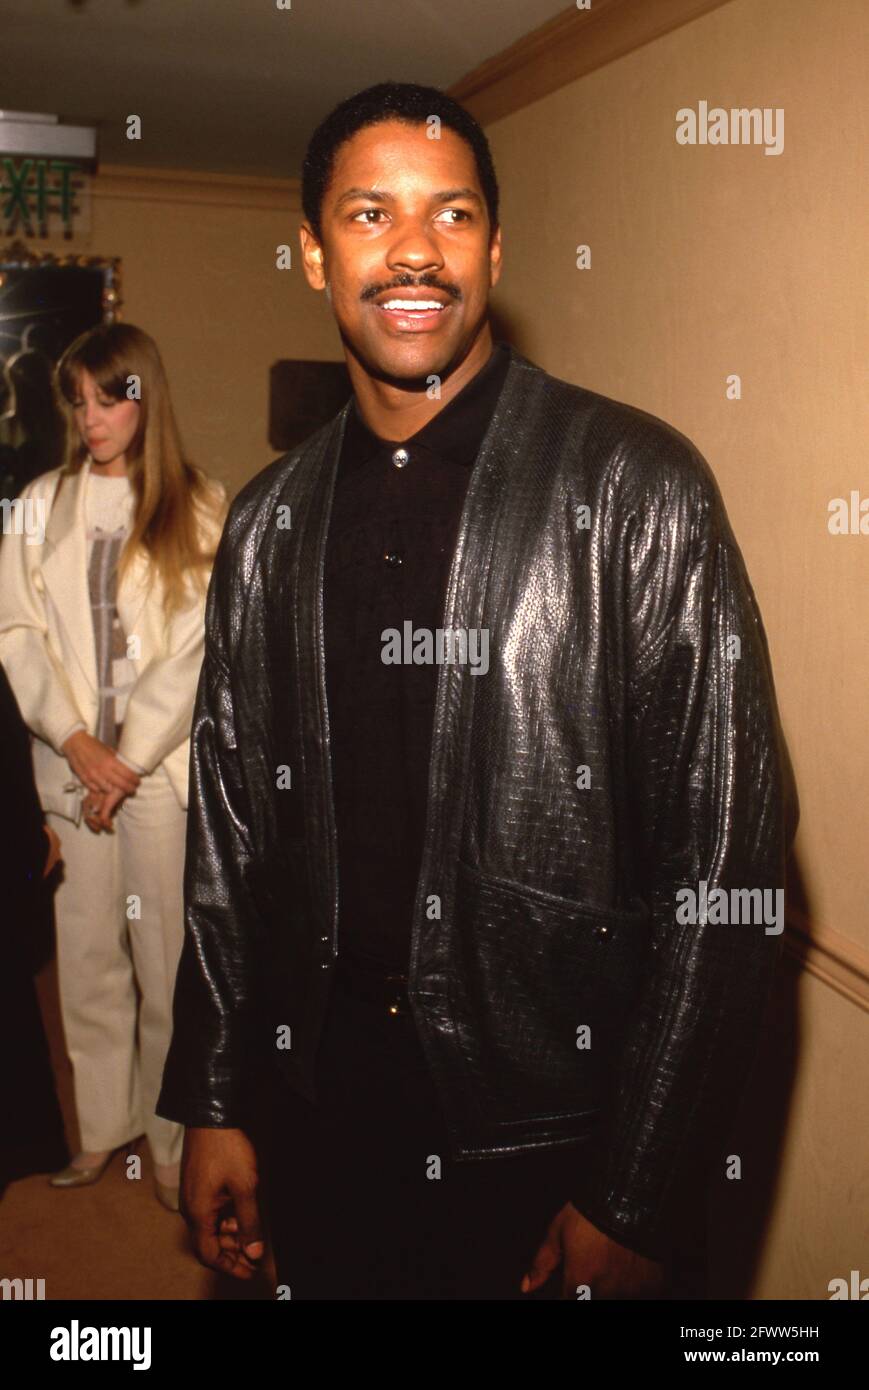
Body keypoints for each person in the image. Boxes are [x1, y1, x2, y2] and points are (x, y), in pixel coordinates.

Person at [156, 82, 799, 1298]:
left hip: (553, 1131)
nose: (412, 250)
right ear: (312, 253)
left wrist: (637, 1189)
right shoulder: (268, 521)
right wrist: (218, 1095)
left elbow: (730, 863)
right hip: (324, 1107)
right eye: (367, 214)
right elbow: (231, 838)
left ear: (493, 251)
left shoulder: (635, 488)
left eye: (450, 216)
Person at [0, 322, 226, 1211]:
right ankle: (102, 1130)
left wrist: (125, 759)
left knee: (164, 957)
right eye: (79, 403)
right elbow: (16, 633)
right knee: (87, 954)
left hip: (154, 775)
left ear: (144, 398)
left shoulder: (200, 503)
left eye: (109, 399)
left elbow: (199, 648)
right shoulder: (38, 505)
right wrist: (76, 742)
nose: (92, 419)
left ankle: (172, 1145)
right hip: (69, 768)